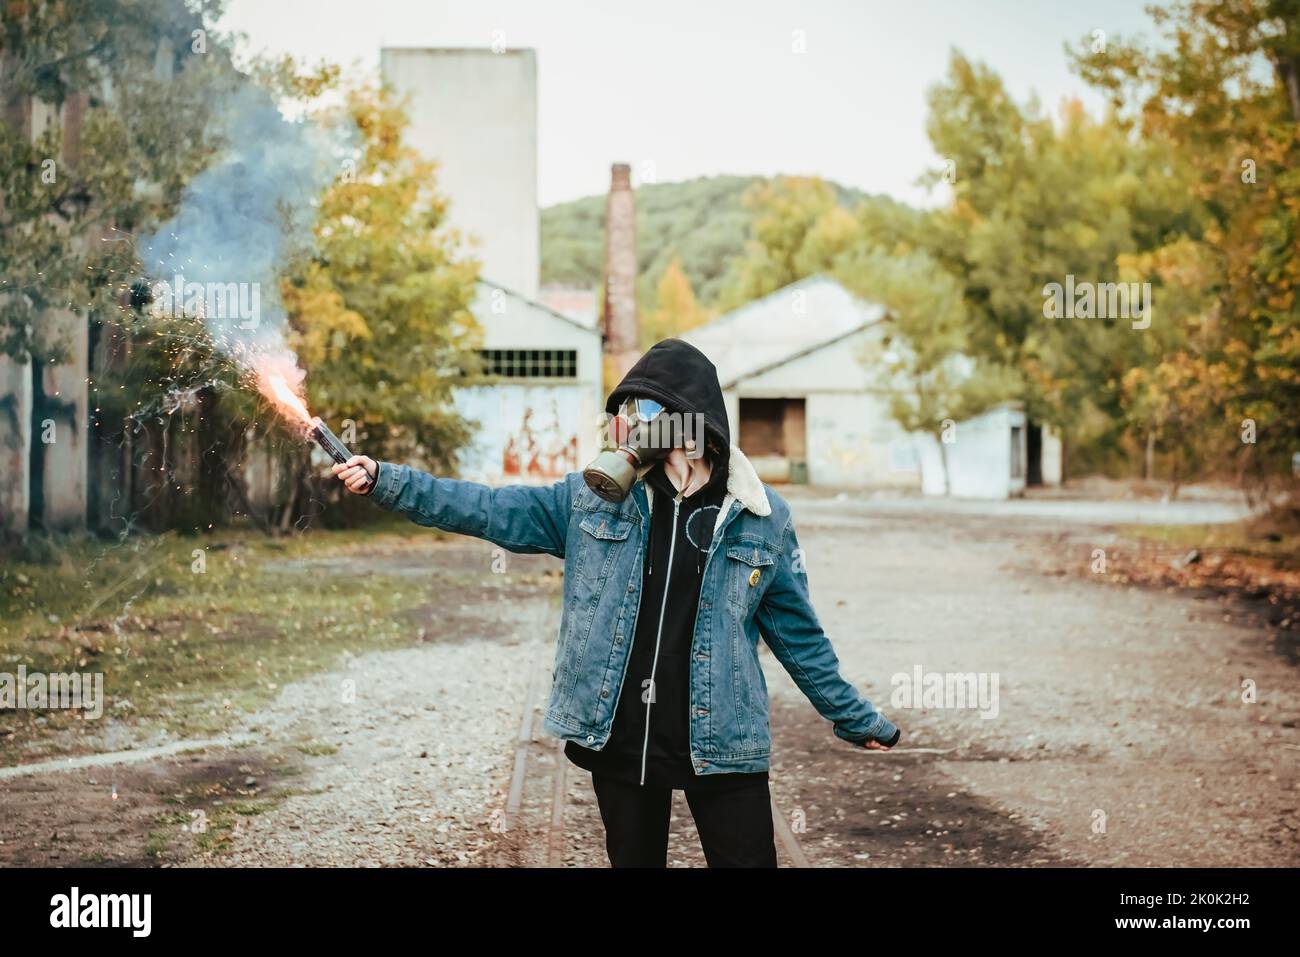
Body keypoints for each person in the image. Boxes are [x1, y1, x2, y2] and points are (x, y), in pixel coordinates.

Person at [333, 338, 900, 867]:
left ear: (689, 422)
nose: (628, 423)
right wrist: (386, 479)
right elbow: (484, 507)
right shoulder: (592, 500)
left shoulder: (760, 515)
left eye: (645, 411)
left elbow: (797, 634)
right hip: (624, 736)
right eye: (625, 410)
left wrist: (852, 717)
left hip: (723, 740)